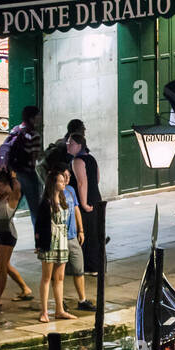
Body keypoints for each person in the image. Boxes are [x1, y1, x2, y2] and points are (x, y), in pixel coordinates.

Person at [0, 169, 33, 308]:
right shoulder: (0, 195)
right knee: (5, 265)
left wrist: (12, 177)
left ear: (6, 184)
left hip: (8, 234)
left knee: (2, 267)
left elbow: (17, 186)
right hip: (0, 233)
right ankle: (25, 289)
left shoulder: (12, 196)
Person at [65, 121, 102, 310]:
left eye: (71, 143)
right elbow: (96, 179)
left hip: (86, 200)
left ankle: (90, 265)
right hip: (96, 198)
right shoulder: (92, 158)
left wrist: (84, 203)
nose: (68, 145)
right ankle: (94, 266)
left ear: (79, 145)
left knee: (86, 233)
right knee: (95, 232)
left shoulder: (77, 161)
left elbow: (82, 182)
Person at [33, 168, 75, 323]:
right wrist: (38, 243)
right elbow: (38, 225)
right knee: (46, 277)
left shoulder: (64, 199)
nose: (63, 182)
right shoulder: (46, 202)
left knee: (60, 277)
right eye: (60, 180)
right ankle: (44, 312)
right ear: (53, 183)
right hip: (50, 241)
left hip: (63, 240)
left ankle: (60, 310)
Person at [12, 105, 44, 232]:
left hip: (16, 174)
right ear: (32, 118)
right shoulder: (34, 134)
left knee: (10, 207)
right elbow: (34, 157)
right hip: (28, 173)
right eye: (38, 115)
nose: (40, 117)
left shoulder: (17, 130)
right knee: (35, 208)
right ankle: (40, 239)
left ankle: (2, 235)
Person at [62, 172, 88, 312]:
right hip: (60, 238)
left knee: (79, 269)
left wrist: (81, 230)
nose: (67, 179)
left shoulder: (71, 190)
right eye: (64, 176)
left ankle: (82, 299)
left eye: (68, 176)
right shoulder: (53, 193)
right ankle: (60, 302)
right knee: (59, 273)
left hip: (72, 237)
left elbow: (76, 209)